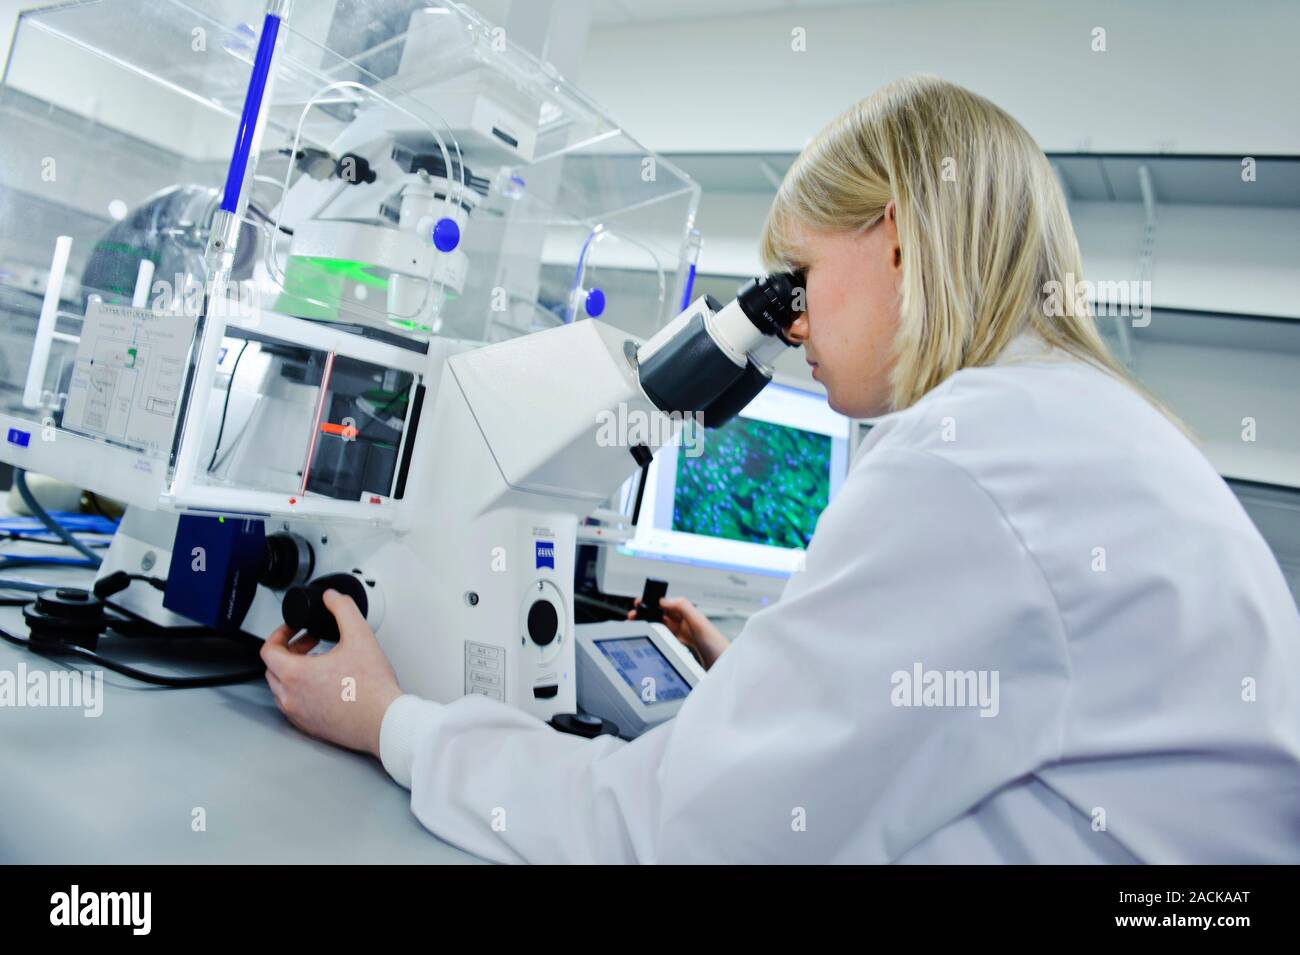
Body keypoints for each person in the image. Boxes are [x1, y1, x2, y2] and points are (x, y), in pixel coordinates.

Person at [260, 75, 1300, 864]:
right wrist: (772, 697)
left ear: (895, 233)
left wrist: (390, 719)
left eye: (798, 276)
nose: (790, 319)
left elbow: (669, 835)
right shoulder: (1080, 418)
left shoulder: (972, 454)